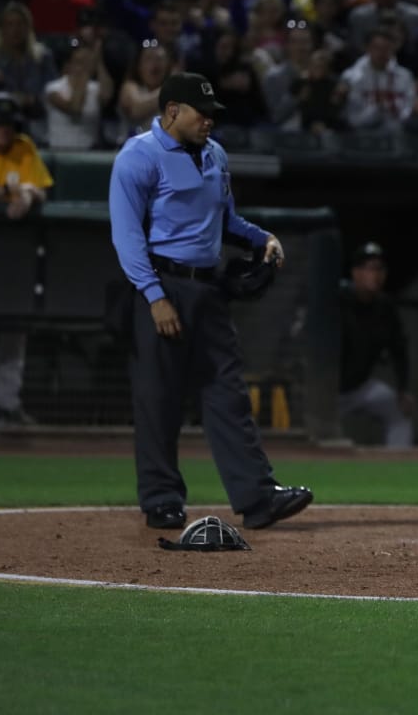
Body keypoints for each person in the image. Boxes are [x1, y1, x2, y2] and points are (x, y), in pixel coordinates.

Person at [108, 72, 313, 531]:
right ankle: (161, 499)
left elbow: (226, 220)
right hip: (160, 284)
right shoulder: (138, 156)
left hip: (208, 289)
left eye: (213, 114)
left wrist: (262, 238)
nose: (210, 122)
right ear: (172, 111)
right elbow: (126, 238)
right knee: (158, 399)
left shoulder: (215, 155)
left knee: (228, 394)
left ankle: (258, 497)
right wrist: (155, 296)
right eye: (202, 113)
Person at [0, 94, 52, 426]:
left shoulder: (24, 146)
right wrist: (8, 190)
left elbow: (41, 188)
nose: (3, 130)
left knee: (16, 323)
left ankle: (5, 401)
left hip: (12, 254)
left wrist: (29, 195)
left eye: (8, 124)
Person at [339, 242, 413, 448]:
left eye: (380, 269)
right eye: (370, 268)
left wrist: (403, 389)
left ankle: (398, 468)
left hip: (360, 388)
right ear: (356, 273)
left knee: (398, 411)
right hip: (327, 393)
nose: (376, 275)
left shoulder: (385, 307)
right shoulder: (337, 301)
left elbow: (399, 349)